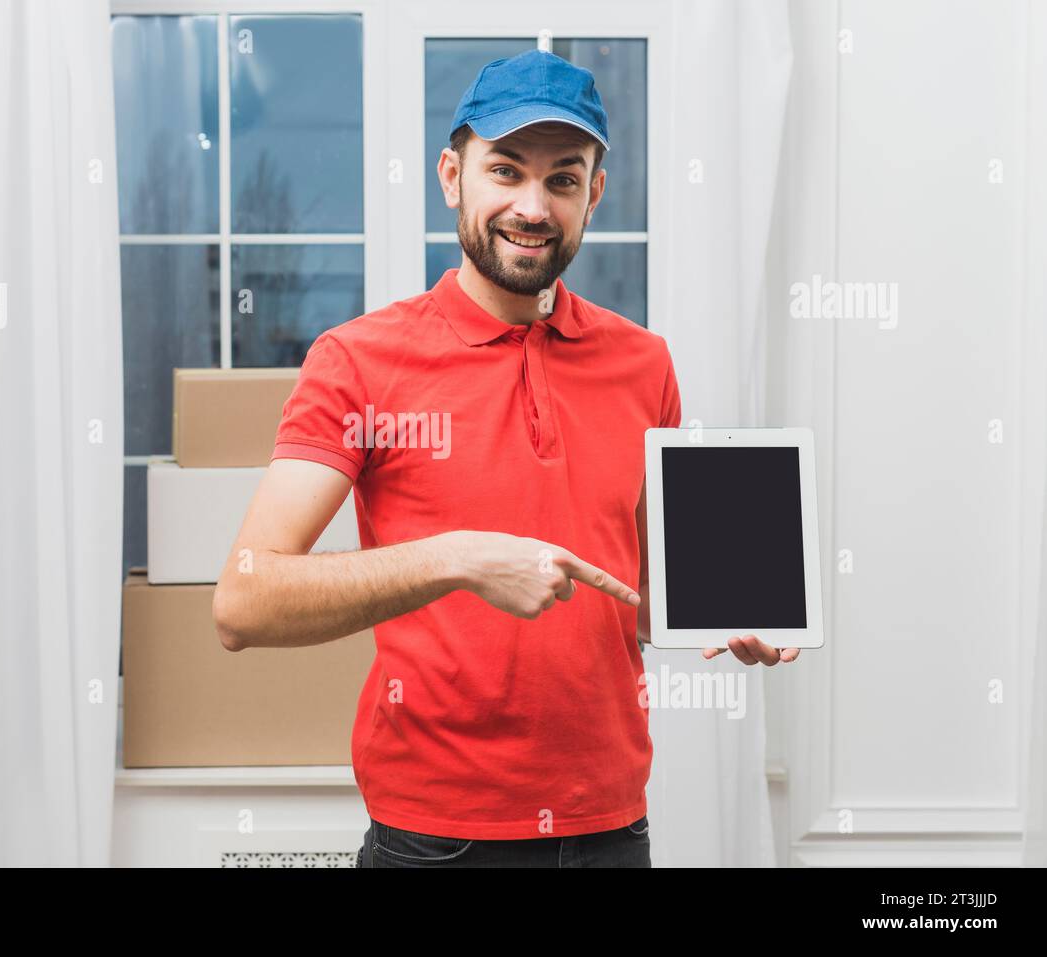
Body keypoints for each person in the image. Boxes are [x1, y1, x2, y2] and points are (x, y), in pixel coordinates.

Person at [212, 49, 798, 868]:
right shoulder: (358, 360)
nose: (532, 205)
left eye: (562, 179)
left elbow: (634, 590)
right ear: (452, 175)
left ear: (593, 194)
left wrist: (728, 603)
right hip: (435, 838)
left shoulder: (644, 363)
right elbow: (243, 600)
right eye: (505, 170)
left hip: (610, 828)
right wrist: (457, 557)